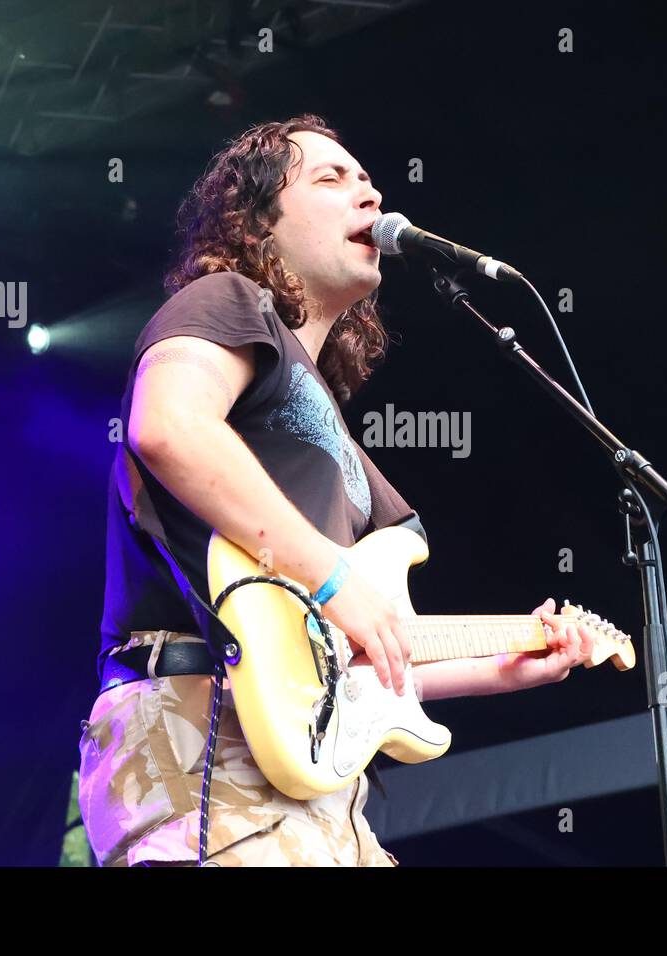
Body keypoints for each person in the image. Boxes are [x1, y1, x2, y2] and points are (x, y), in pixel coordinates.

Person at [77, 114, 598, 867]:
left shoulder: (339, 452)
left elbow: (355, 652)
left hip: (315, 783)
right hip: (207, 738)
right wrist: (329, 574)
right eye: (331, 178)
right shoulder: (225, 299)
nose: (369, 192)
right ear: (258, 225)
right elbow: (169, 428)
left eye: (368, 179)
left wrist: (509, 662)